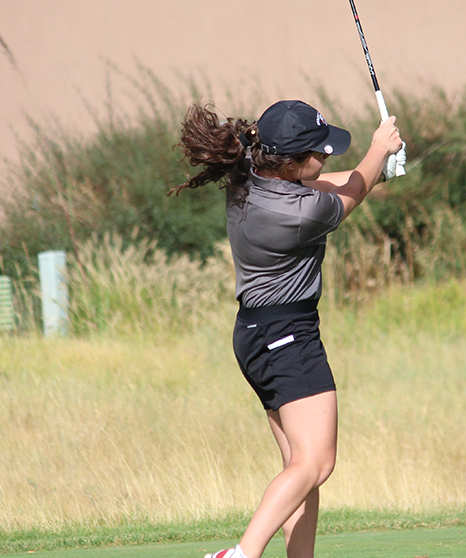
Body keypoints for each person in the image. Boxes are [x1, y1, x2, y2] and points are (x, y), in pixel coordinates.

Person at [174, 100, 403, 558]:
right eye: (320, 150)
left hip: (256, 334)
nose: (327, 156)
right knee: (317, 462)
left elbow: (329, 181)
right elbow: (348, 194)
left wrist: (379, 168)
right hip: (287, 337)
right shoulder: (297, 214)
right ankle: (241, 554)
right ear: (293, 161)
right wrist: (379, 151)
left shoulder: (249, 171)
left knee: (300, 466)